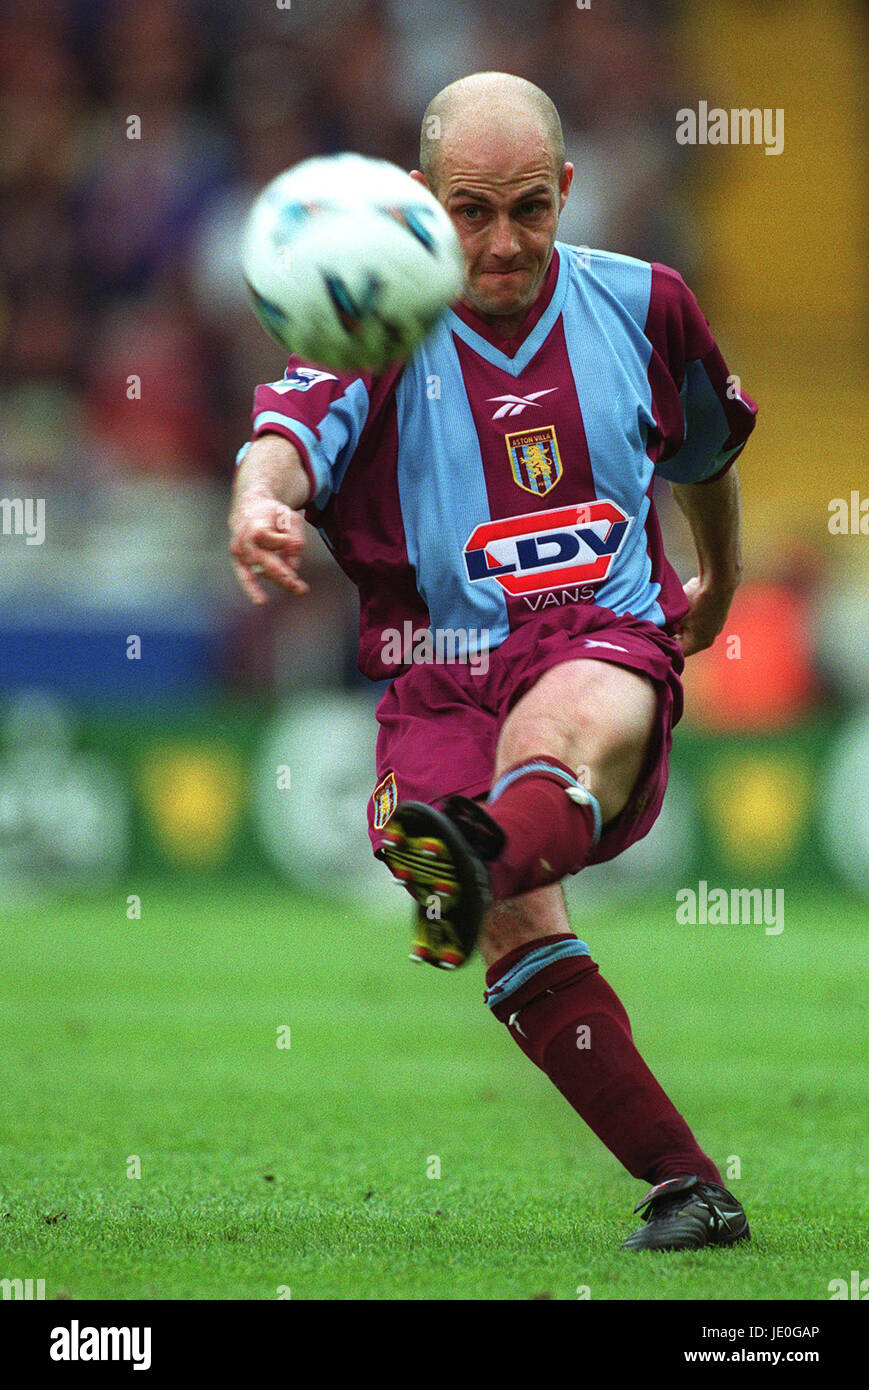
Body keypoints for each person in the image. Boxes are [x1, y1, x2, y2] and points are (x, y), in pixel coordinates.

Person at [229, 73, 757, 1252]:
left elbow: (705, 451)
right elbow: (282, 438)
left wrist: (715, 576)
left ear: (566, 189)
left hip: (598, 633)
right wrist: (258, 503)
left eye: (529, 208)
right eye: (471, 212)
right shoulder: (374, 325)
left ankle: (467, 849)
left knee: (553, 733)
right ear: (421, 199)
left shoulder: (645, 302)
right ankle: (686, 1186)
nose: (504, 242)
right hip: (439, 671)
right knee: (517, 927)